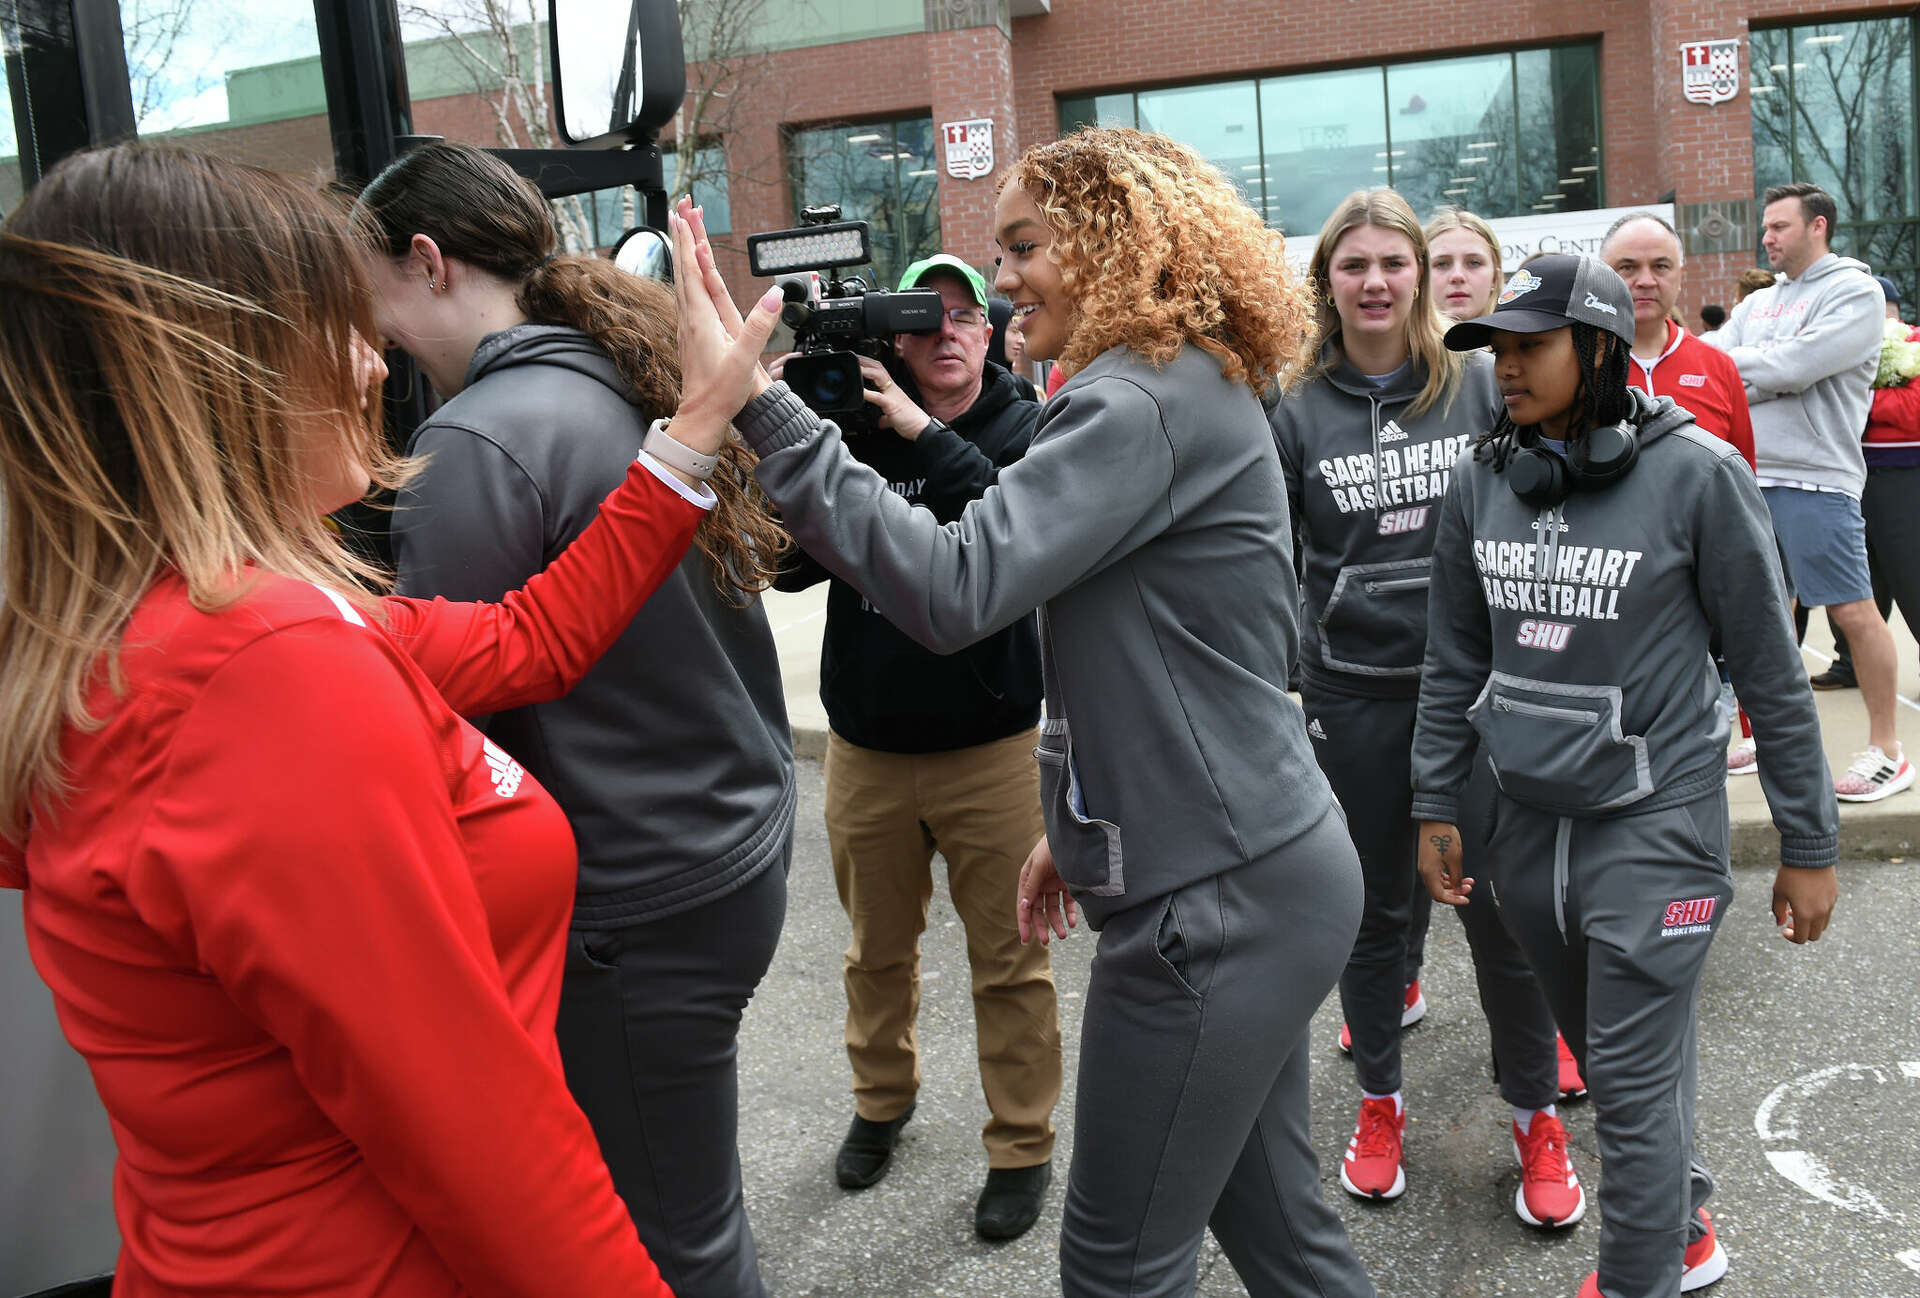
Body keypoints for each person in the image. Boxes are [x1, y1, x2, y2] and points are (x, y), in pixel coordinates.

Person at [0, 142, 738, 1297]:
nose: (368, 358)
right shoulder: (269, 669)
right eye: (331, 324)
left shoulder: (126, 640)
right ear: (217, 367)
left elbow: (529, 639)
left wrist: (692, 432)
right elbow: (481, 1138)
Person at [669, 128, 1377, 1298]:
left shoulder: (1138, 397)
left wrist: (762, 407)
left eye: (1023, 245)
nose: (998, 280)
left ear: (1114, 239)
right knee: (1279, 1235)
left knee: (1116, 1266)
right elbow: (1148, 648)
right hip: (1252, 862)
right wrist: (1079, 806)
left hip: (1218, 896)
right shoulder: (1172, 383)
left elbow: (958, 587)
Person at [353, 140, 796, 1298]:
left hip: (629, 896)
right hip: (721, 843)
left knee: (667, 1240)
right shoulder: (616, 372)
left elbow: (459, 712)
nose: (369, 340)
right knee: (694, 1201)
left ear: (428, 261)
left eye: (370, 298)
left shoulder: (472, 441)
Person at [1414, 253, 1840, 1298]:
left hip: (1658, 830)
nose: (1505, 367)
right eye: (1497, 347)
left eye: (1531, 345)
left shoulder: (1699, 474)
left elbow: (1772, 674)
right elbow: (1453, 654)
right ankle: (1683, 1228)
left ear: (1599, 347)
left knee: (1633, 1096)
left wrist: (1809, 840)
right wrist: (1435, 795)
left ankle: (1640, 1269)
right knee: (1611, 1068)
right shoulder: (1482, 477)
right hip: (1526, 827)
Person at [1271, 190, 1580, 1226]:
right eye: (1352, 263)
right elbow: (1271, 561)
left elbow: (1554, 511)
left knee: (1504, 912)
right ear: (1328, 280)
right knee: (1372, 916)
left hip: (1479, 697)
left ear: (1419, 276)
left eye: (1392, 264)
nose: (1374, 281)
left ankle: (1535, 1113)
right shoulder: (1294, 406)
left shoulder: (1482, 388)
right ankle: (1380, 1103)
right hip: (1353, 698)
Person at [768, 252, 1060, 1239]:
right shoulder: (849, 426)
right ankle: (881, 1101)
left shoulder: (1026, 425)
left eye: (963, 316)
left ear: (989, 331)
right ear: (892, 336)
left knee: (1012, 959)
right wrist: (786, 443)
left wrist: (919, 433)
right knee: (875, 954)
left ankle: (1021, 1141)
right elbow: (786, 567)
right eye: (924, 316)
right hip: (870, 748)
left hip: (993, 746)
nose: (945, 332)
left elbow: (1018, 534)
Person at [1711, 183, 1911, 801]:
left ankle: (1889, 751)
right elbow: (1718, 366)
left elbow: (1797, 368)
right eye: (1766, 228)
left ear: (1817, 226)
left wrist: (1767, 372)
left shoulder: (1855, 291)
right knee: (1763, 616)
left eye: (1779, 227)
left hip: (1815, 478)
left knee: (1852, 612)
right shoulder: (1764, 301)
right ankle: (1768, 735)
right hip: (1752, 475)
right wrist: (1769, 370)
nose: (1766, 238)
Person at [1824, 280, 1920, 694]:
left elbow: (1912, 411)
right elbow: (1829, 405)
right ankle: (1849, 662)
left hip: (1904, 475)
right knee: (1854, 575)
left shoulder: (1914, 343)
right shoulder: (1844, 346)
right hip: (1849, 473)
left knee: (1910, 571)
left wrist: (1862, 404)